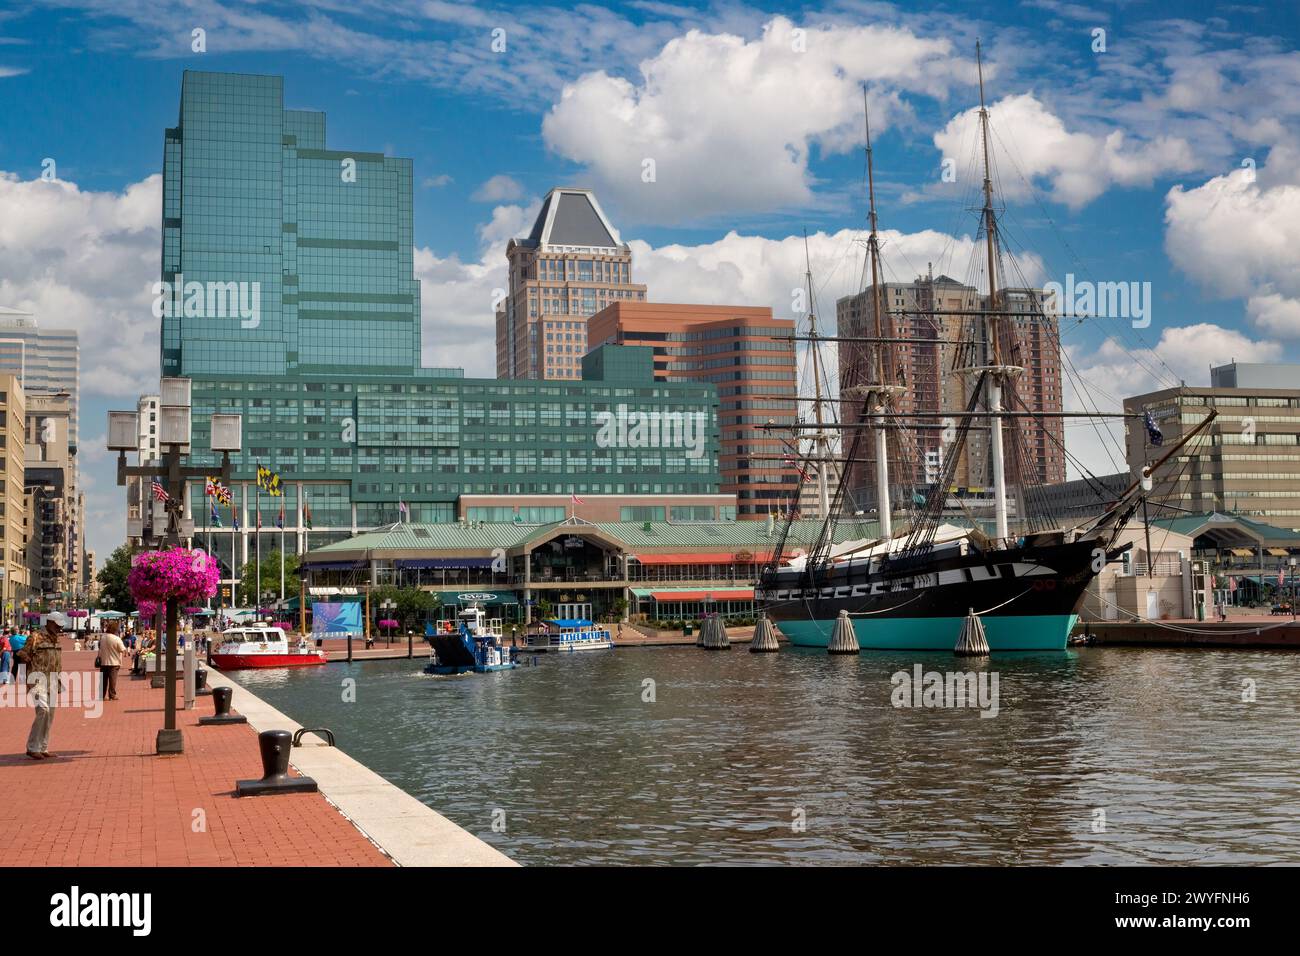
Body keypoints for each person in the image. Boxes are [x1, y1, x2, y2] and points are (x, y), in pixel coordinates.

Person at [22, 618, 64, 759]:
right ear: (50, 623)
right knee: (43, 710)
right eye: (57, 625)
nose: (59, 628)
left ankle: (43, 747)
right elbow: (22, 654)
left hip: (53, 680)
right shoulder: (35, 637)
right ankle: (32, 747)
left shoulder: (56, 639)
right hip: (37, 678)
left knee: (50, 714)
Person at [97, 621, 126, 701]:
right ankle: (112, 695)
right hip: (114, 662)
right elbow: (122, 649)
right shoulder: (116, 639)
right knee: (112, 680)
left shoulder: (103, 637)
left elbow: (100, 648)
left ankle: (102, 695)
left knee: (103, 680)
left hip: (103, 661)